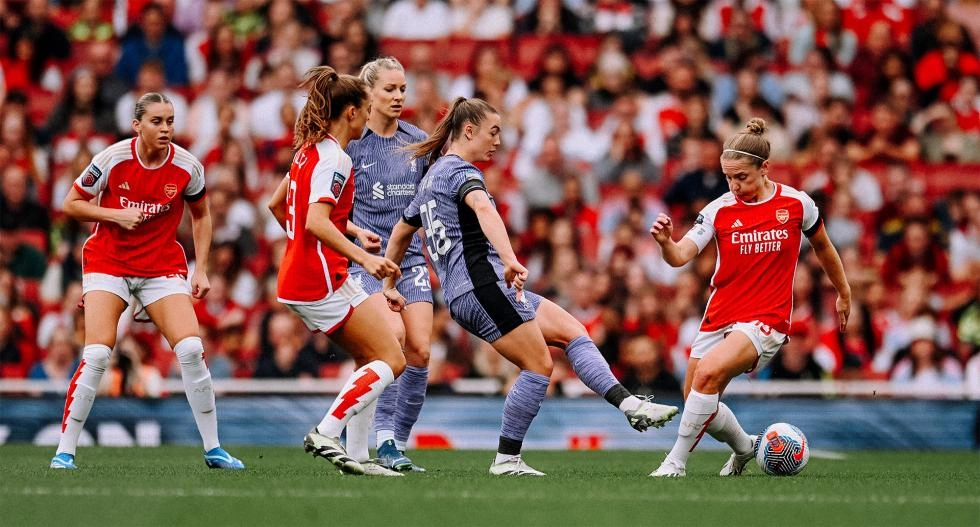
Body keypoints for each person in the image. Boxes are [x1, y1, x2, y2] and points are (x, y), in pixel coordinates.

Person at [383, 97, 679, 476]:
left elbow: (401, 232)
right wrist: (509, 259)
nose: (499, 140)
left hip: (471, 290)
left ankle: (629, 405)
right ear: (468, 130)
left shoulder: (431, 178)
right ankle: (506, 459)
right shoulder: (460, 172)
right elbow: (486, 210)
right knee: (539, 365)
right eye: (493, 131)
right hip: (482, 285)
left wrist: (391, 282)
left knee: (573, 331)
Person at [50, 92, 244, 471]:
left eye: (170, 121)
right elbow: (70, 203)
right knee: (98, 353)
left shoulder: (188, 166)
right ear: (137, 125)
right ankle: (65, 450)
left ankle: (213, 448)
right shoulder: (112, 158)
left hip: (160, 266)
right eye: (157, 121)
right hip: (109, 262)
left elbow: (201, 216)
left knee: (190, 348)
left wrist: (200, 268)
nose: (166, 128)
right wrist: (114, 215)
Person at [647, 118, 851, 477]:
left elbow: (824, 247)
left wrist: (843, 291)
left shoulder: (797, 204)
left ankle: (675, 462)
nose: (734, 185)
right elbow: (680, 256)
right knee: (696, 396)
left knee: (708, 375)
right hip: (720, 313)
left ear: (765, 168)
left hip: (766, 319)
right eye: (728, 177)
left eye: (741, 176)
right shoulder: (719, 209)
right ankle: (745, 448)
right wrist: (666, 243)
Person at [267, 65, 406, 476]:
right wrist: (364, 258)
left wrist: (352, 230)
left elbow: (282, 207)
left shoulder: (308, 151)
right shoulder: (337, 159)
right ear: (350, 112)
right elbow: (314, 221)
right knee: (391, 359)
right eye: (364, 111)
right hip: (319, 279)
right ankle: (327, 432)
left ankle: (359, 456)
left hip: (302, 274)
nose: (368, 119)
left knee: (371, 356)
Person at [342, 57, 431, 473]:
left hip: (409, 260)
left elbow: (434, 201)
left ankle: (395, 441)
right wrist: (356, 233)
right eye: (389, 90)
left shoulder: (419, 142)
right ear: (369, 93)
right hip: (366, 262)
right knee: (390, 340)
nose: (398, 97)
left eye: (403, 90)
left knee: (421, 350)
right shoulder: (351, 144)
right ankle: (381, 439)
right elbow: (325, 210)